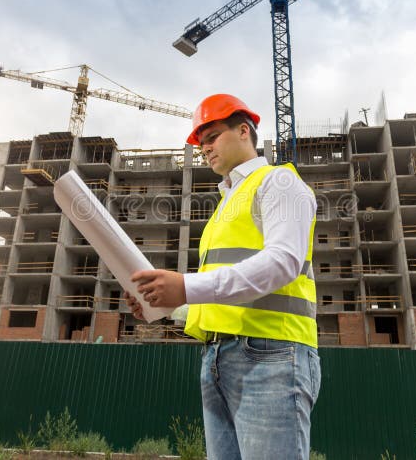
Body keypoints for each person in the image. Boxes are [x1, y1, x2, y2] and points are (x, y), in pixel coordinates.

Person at [124, 94, 320, 460]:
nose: (205, 149)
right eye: (200, 144)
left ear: (243, 131)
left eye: (211, 136)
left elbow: (284, 262)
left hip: (271, 354)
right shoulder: (226, 204)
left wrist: (184, 286)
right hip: (218, 356)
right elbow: (219, 295)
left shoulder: (278, 182)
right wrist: (166, 307)